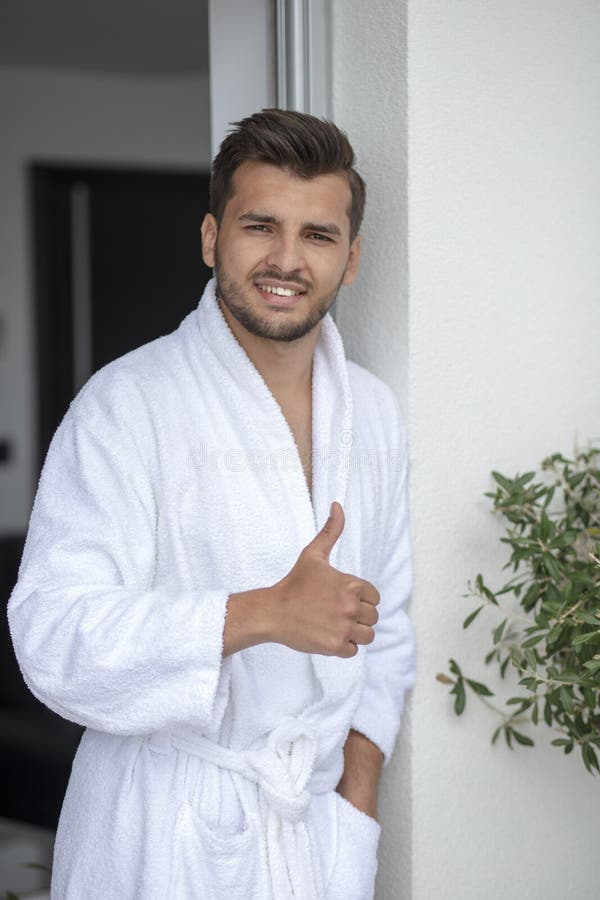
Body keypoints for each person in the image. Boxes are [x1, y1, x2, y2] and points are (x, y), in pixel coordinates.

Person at [8, 108, 415, 900]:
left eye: (318, 236)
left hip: (313, 831)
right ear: (210, 238)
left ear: (352, 258)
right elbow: (51, 635)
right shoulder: (128, 405)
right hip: (162, 828)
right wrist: (260, 612)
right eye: (260, 226)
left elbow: (389, 625)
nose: (287, 260)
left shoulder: (372, 412)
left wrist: (356, 800)